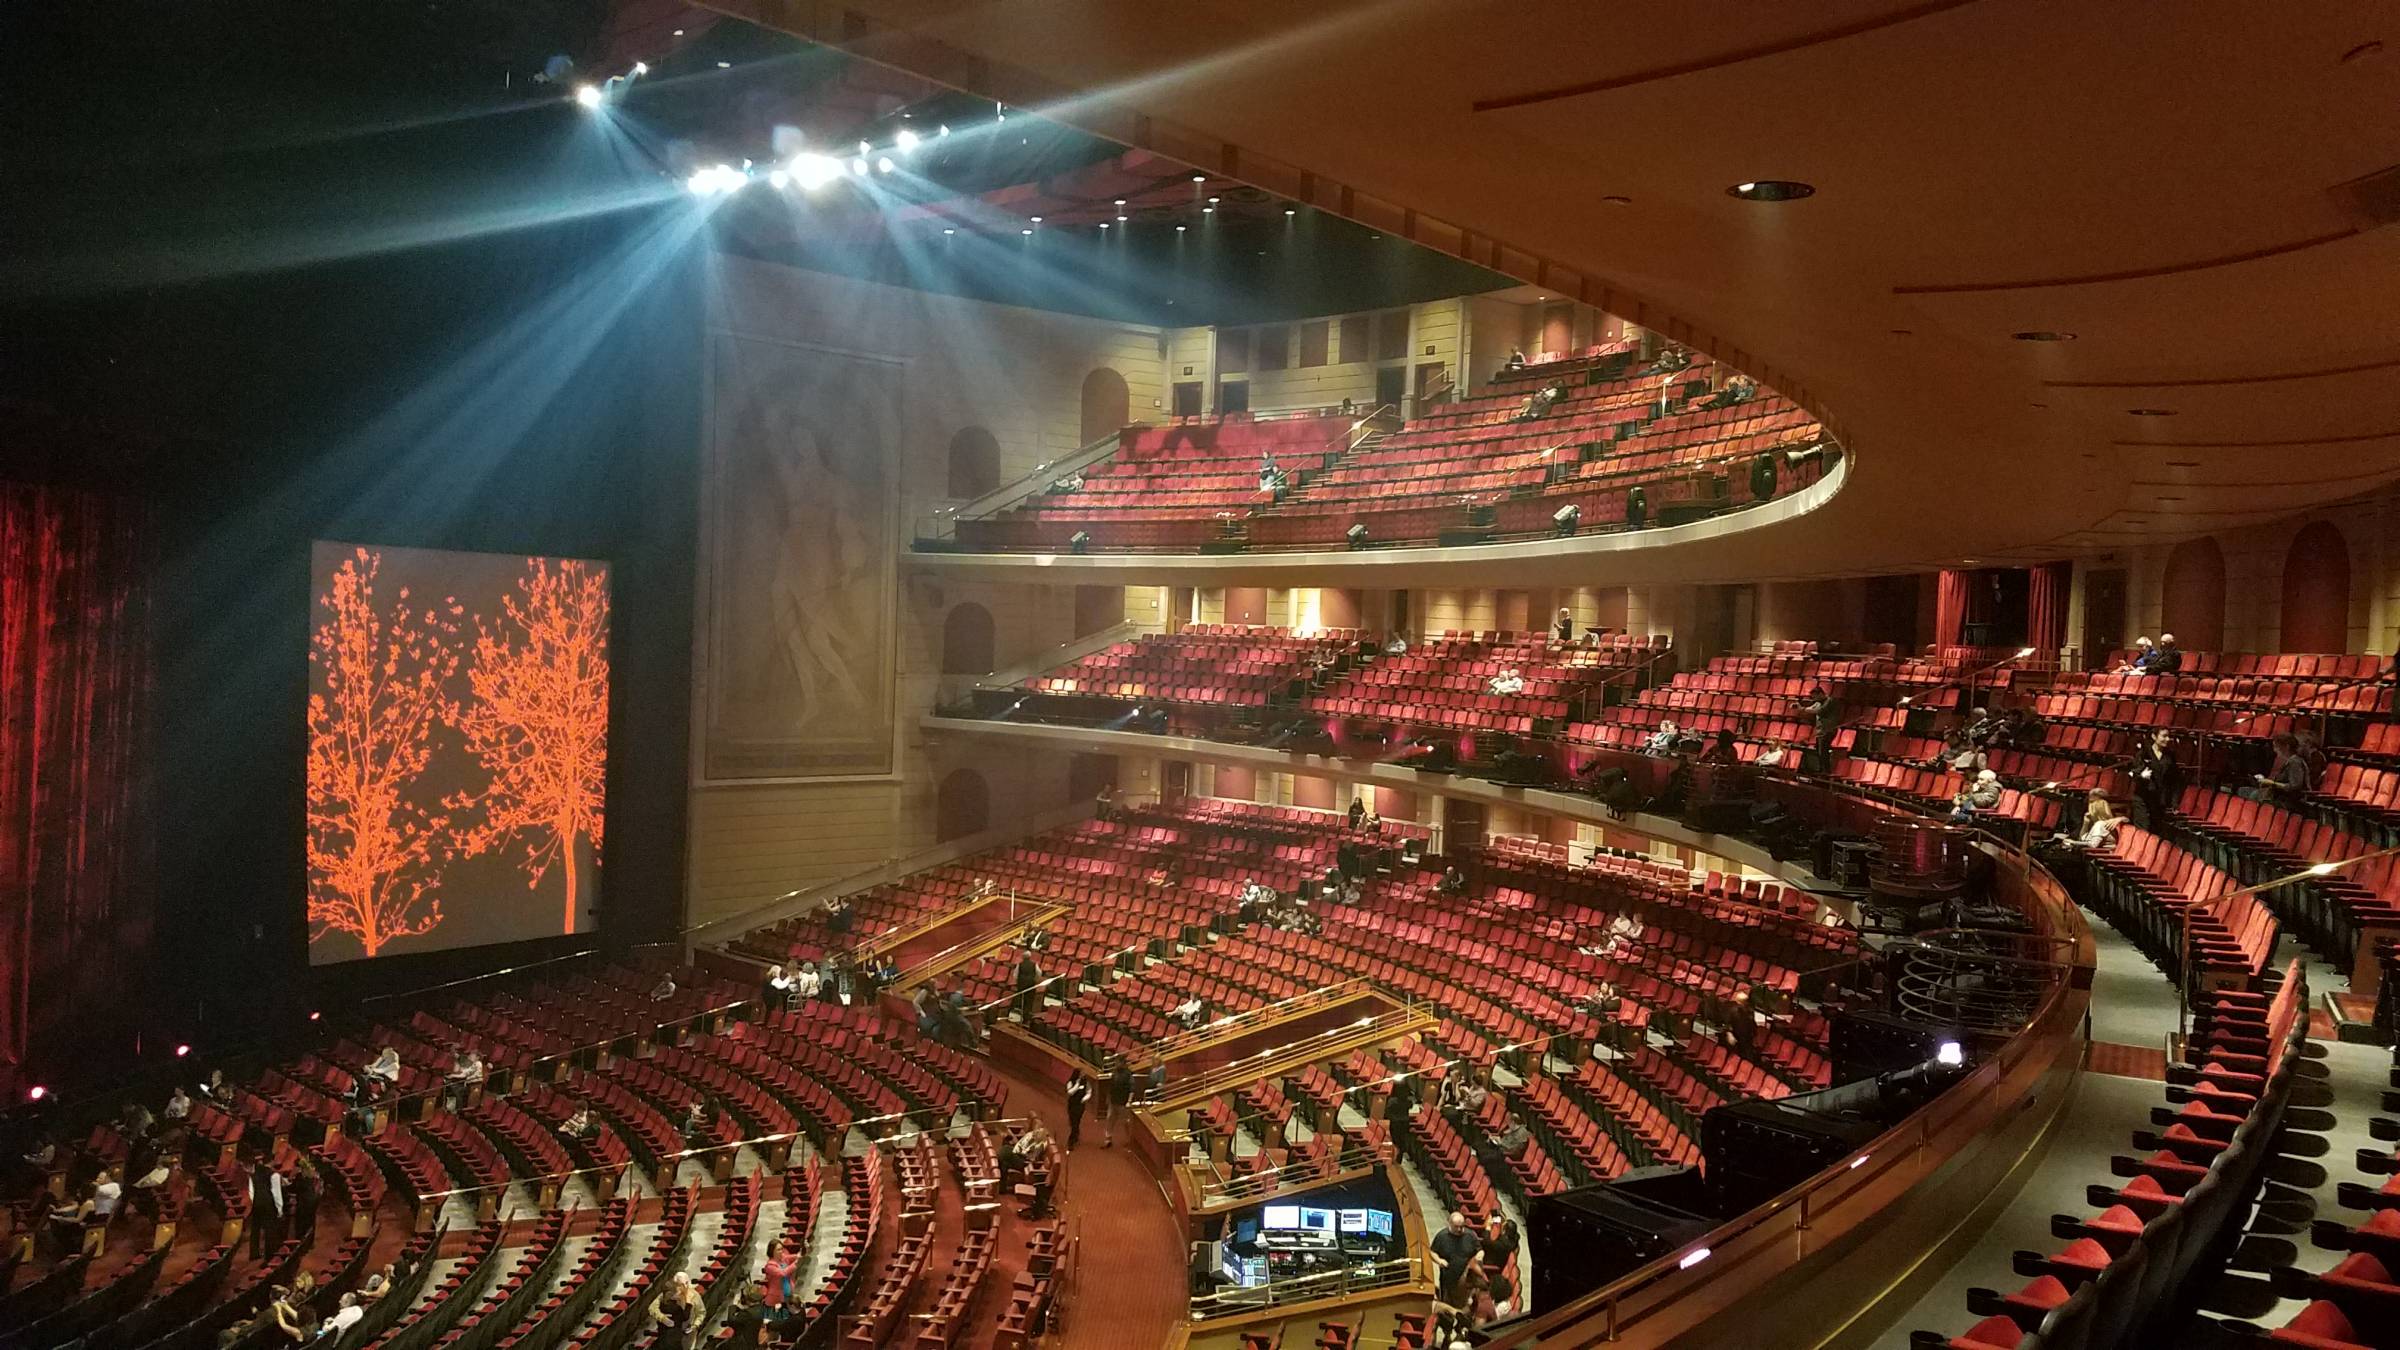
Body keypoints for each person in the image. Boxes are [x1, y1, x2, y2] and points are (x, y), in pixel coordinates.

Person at [2130, 727, 2181, 828]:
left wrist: (2174, 802)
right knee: (2142, 828)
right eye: (2164, 736)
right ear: (2154, 737)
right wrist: (2141, 776)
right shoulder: (2144, 753)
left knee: (2156, 830)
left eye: (2169, 736)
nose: (2167, 739)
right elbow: (2134, 773)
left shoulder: (2170, 755)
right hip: (2142, 798)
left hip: (2159, 800)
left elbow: (2175, 780)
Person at [1431, 1211, 1480, 1304]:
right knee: (1446, 1303)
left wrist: (1477, 1258)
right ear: (1450, 1224)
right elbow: (1432, 1252)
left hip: (1466, 1279)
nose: (1459, 1229)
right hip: (1448, 1277)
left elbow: (1479, 1250)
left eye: (1461, 1226)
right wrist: (1439, 1260)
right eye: (1456, 1227)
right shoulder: (1442, 1236)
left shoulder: (1470, 1235)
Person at [2245, 733, 2311, 802]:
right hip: (2283, 797)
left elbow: (2295, 787)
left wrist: (2271, 783)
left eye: (2276, 747)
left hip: (2292, 801)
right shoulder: (2291, 761)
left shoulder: (2295, 762)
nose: (2275, 750)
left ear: (2287, 746)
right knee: (2246, 791)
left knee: (2253, 795)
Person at [647, 1272, 701, 1350]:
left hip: (674, 1336)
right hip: (673, 1339)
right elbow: (685, 1316)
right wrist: (663, 1318)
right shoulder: (669, 1304)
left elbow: (700, 1313)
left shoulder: (664, 1305)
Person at [2053, 795, 2125, 851]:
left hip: (2103, 858)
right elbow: (2083, 839)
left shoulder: (2101, 824)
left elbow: (2093, 845)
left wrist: (2072, 842)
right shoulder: (2097, 824)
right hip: (2095, 854)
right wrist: (2086, 823)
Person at [248, 1157, 285, 1259]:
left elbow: (251, 1192)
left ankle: (254, 1254)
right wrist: (279, 1209)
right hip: (269, 1203)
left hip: (257, 1203)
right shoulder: (274, 1175)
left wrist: (256, 1201)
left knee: (255, 1230)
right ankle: (269, 1255)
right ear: (272, 1161)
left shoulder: (254, 1175)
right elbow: (276, 1194)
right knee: (270, 1229)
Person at [760, 1241, 801, 1324]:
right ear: (772, 1251)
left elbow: (797, 1256)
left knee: (788, 1322)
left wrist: (804, 1249)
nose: (782, 1251)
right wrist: (795, 1263)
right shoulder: (770, 1266)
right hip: (776, 1298)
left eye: (782, 1249)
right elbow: (783, 1273)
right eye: (778, 1250)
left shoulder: (783, 1258)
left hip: (788, 1295)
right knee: (777, 1323)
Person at [721, 1283, 768, 1350]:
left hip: (742, 1345)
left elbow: (732, 1321)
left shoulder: (747, 1313)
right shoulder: (762, 1308)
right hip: (754, 1343)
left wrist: (734, 1305)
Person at [1104, 1058, 1134, 1149]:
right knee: (1110, 1120)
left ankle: (1130, 1140)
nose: (1116, 1064)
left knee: (1126, 1121)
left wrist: (1129, 1101)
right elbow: (1110, 1086)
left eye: (1118, 1062)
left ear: (1123, 1063)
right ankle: (1108, 1139)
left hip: (1123, 1102)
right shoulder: (1114, 1072)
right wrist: (1108, 1098)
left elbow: (1132, 1089)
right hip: (1113, 1101)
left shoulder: (1128, 1074)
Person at [1014, 947, 1044, 1022]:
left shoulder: (1019, 964)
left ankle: (1023, 1015)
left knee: (1023, 1001)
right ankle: (1026, 1017)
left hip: (1021, 984)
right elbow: (1039, 973)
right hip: (1030, 984)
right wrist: (1035, 979)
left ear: (1023, 957)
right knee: (1029, 1001)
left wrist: (1018, 981)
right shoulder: (1034, 964)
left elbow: (1015, 975)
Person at [1064, 1069, 1092, 1148]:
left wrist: (1084, 1099)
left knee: (1076, 1122)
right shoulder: (1070, 1082)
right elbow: (1070, 1092)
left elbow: (1089, 1092)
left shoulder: (1086, 1083)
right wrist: (1077, 1085)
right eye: (1081, 1074)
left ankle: (1071, 1139)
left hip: (1080, 1105)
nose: (1082, 1076)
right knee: (1073, 1121)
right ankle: (1075, 1135)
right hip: (1072, 1104)